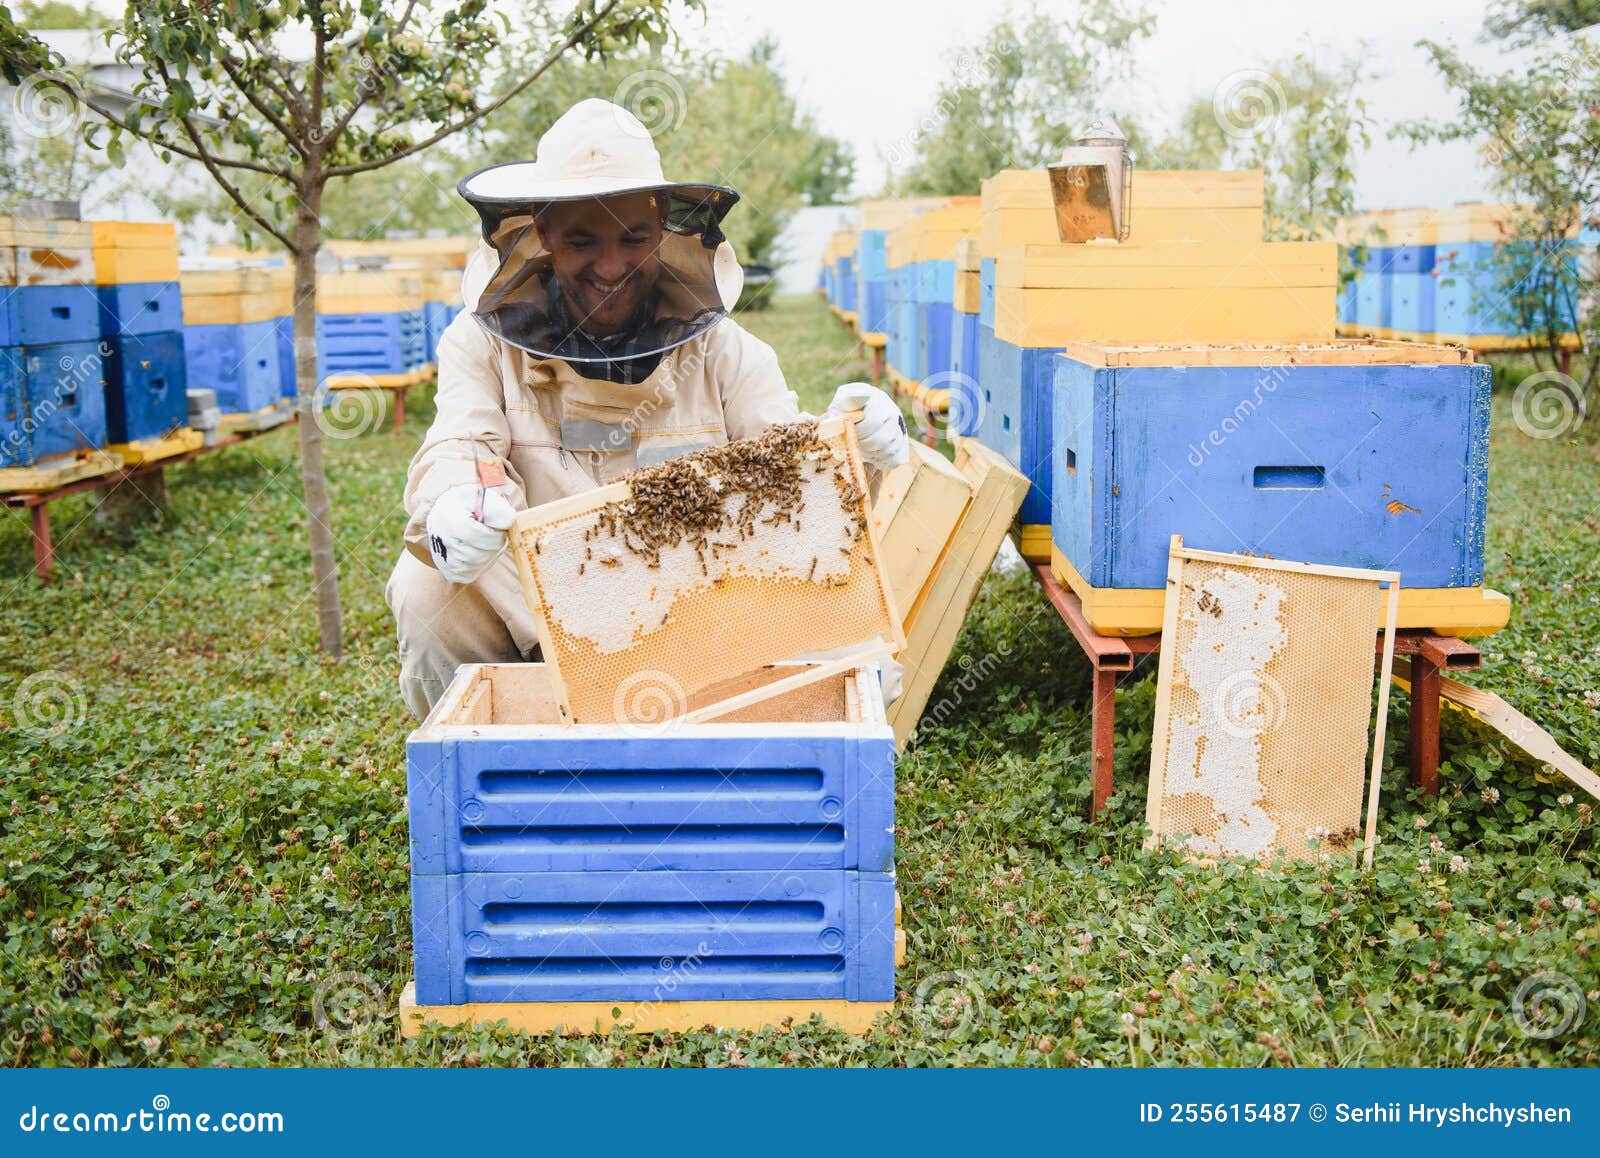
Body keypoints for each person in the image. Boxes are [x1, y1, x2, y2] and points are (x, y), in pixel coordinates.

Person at [386, 98, 909, 719]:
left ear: (661, 226)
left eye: (633, 238)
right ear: (544, 231)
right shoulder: (480, 344)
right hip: (547, 622)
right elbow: (459, 446)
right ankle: (495, 769)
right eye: (582, 241)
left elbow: (794, 483)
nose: (611, 266)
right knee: (427, 592)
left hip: (704, 616)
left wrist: (858, 450)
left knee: (859, 659)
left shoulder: (725, 351)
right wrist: (449, 505)